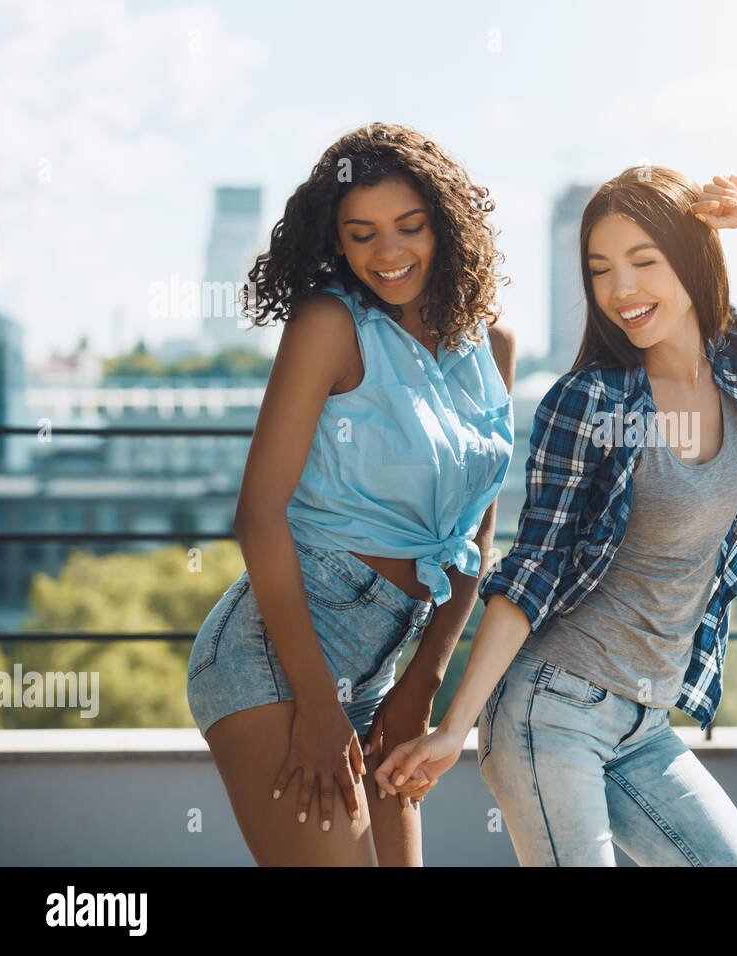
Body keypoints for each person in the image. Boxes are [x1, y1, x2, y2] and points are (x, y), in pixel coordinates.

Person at [375, 167, 737, 866]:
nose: (622, 290)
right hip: (551, 711)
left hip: (645, 724)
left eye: (644, 261)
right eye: (601, 270)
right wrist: (454, 728)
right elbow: (532, 570)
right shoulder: (589, 401)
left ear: (692, 260)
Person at [186, 123, 516, 865]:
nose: (388, 253)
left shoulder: (492, 346)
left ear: (446, 224)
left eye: (410, 226)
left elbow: (474, 537)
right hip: (280, 654)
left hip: (387, 662)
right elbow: (259, 517)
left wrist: (423, 681)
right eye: (361, 234)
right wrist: (315, 703)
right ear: (336, 242)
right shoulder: (330, 324)